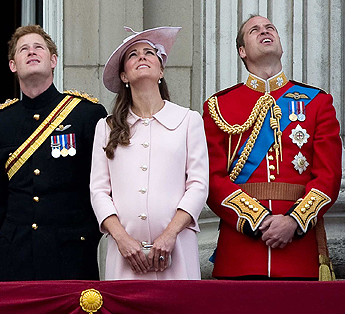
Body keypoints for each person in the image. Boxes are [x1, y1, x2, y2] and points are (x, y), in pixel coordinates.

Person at [203, 15, 342, 279]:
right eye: (254, 30)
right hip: (241, 253)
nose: (264, 31)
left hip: (298, 251)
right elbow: (211, 178)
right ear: (242, 51)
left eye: (270, 28)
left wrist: (294, 221)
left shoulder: (317, 102)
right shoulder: (218, 106)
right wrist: (259, 220)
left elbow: (329, 176)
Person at [0, 25, 107, 281]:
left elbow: (100, 183)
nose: (31, 52)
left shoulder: (86, 114)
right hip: (14, 254)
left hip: (71, 252)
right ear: (12, 65)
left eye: (38, 47)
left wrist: (86, 235)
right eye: (23, 49)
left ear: (53, 61)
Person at [90, 27, 209, 280]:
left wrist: (170, 235)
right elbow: (99, 190)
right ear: (124, 75)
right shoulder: (107, 127)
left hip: (177, 248)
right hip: (125, 255)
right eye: (132, 55)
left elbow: (198, 185)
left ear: (161, 70)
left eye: (149, 52)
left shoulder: (188, 120)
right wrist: (121, 238)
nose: (141, 56)